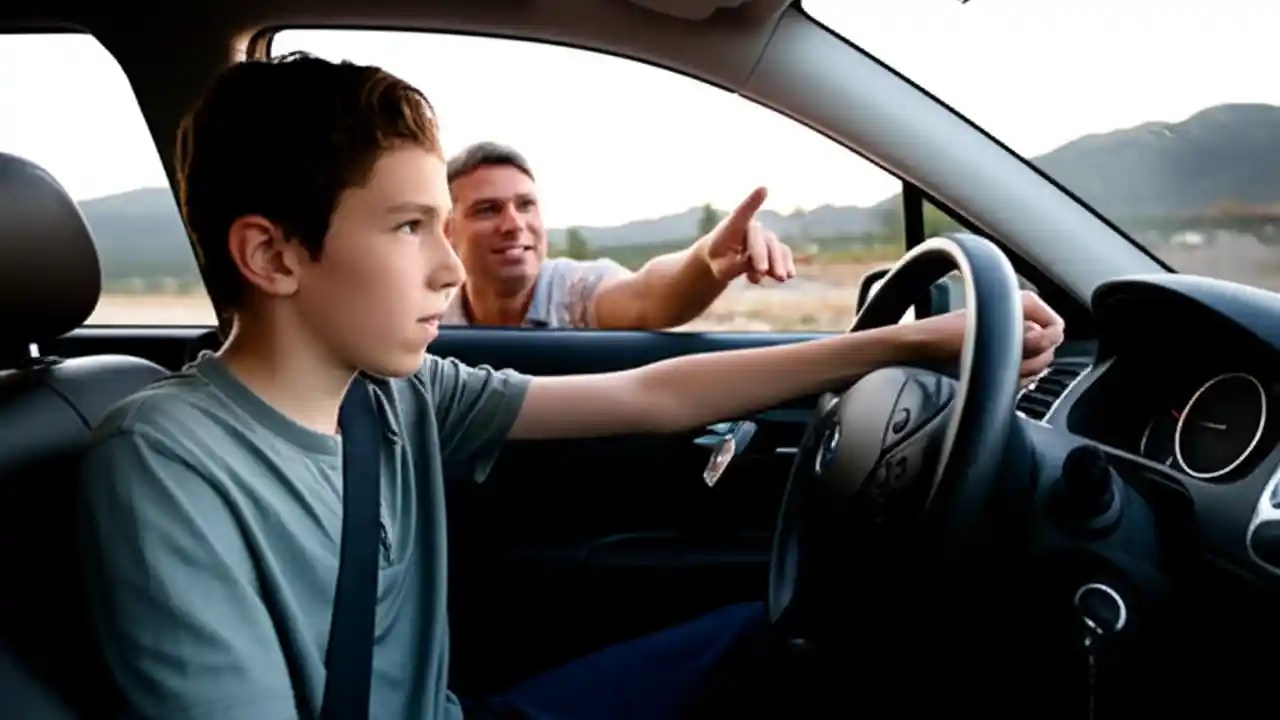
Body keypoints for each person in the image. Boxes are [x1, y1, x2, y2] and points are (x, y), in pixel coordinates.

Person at [77, 52, 1065, 720]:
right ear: (273, 254)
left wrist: (909, 346)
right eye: (408, 228)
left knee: (804, 642)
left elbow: (650, 396)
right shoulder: (165, 466)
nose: (446, 270)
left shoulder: (397, 397)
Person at [444, 141, 795, 329]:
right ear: (447, 230)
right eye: (488, 209)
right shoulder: (430, 313)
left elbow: (645, 296)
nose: (514, 224)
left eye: (525, 205)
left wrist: (704, 260)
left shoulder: (572, 290)